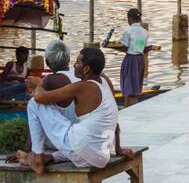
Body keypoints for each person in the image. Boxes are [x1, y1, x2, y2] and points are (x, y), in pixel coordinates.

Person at [10, 46, 133, 174]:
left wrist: (39, 84)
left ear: (86, 69)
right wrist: (118, 149)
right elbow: (114, 122)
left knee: (33, 104)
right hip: (101, 157)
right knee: (79, 143)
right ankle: (52, 157)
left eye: (78, 62)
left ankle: (37, 159)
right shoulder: (105, 81)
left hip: (83, 149)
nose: (74, 65)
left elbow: (40, 97)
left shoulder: (81, 87)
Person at [117, 8, 149, 107]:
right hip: (140, 60)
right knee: (133, 88)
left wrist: (112, 46)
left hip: (131, 60)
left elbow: (124, 47)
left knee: (130, 92)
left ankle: (134, 110)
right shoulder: (144, 31)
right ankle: (127, 107)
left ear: (129, 19)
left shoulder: (128, 31)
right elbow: (144, 49)